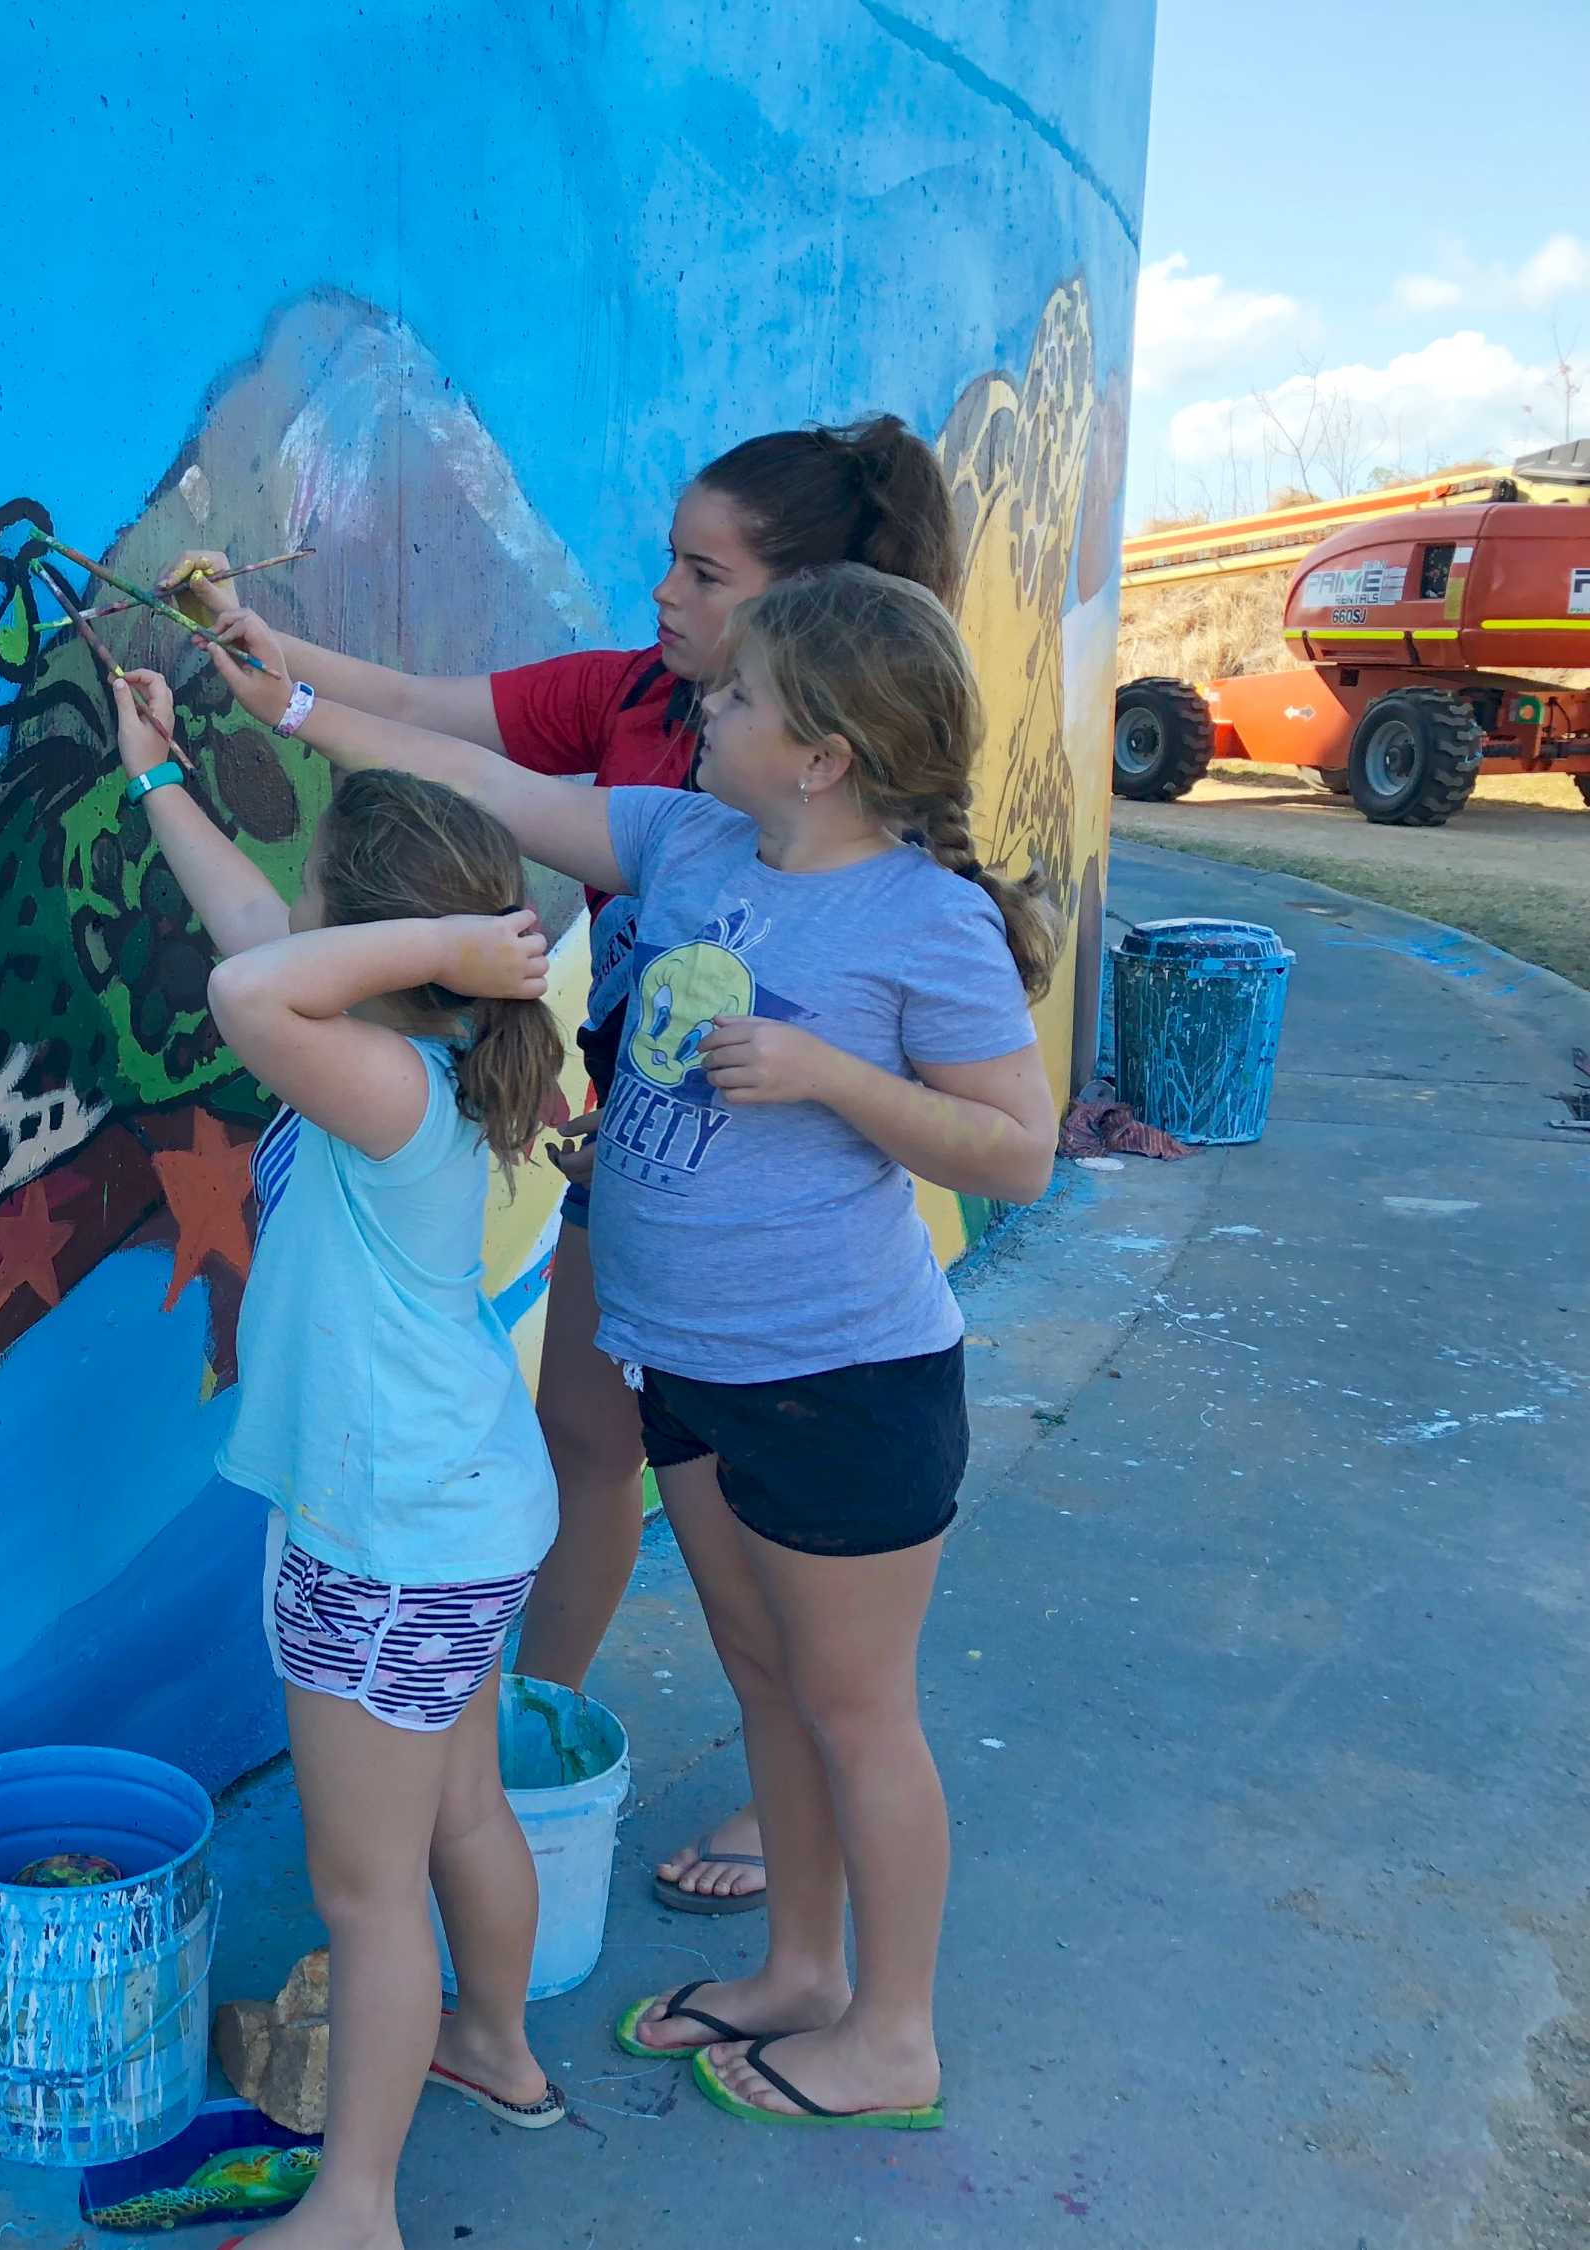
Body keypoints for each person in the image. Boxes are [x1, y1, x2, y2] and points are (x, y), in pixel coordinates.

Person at [187, 564, 1059, 2127]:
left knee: (859, 1708)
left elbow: (1014, 1150)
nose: (701, 704)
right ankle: (800, 1965)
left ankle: (893, 2029)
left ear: (826, 755)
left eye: (738, 696)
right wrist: (292, 702)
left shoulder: (924, 922)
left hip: (845, 1378)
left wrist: (826, 1074)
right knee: (762, 1680)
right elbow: (478, 780)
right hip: (693, 1359)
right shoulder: (688, 838)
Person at [166, 414, 962, 1916]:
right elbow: (435, 730)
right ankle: (528, 1727)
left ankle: (805, 1860)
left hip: (796, 1304)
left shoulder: (876, 859)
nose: (660, 594)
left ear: (808, 636)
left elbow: (987, 1120)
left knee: (815, 1640)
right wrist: (285, 683)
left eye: (700, 570)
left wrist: (803, 1082)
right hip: (640, 1197)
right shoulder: (659, 758)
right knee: (608, 1466)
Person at [101, 666, 566, 2246]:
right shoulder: (413, 1061)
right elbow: (260, 948)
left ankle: (353, 2205)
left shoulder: (385, 1083)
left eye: (325, 897)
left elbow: (251, 991)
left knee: (370, 1888)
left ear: (386, 939)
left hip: (387, 1534)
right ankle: (496, 2048)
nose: (292, 908)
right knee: (462, 1814)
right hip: (467, 1502)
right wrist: (157, 778)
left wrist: (435, 946)